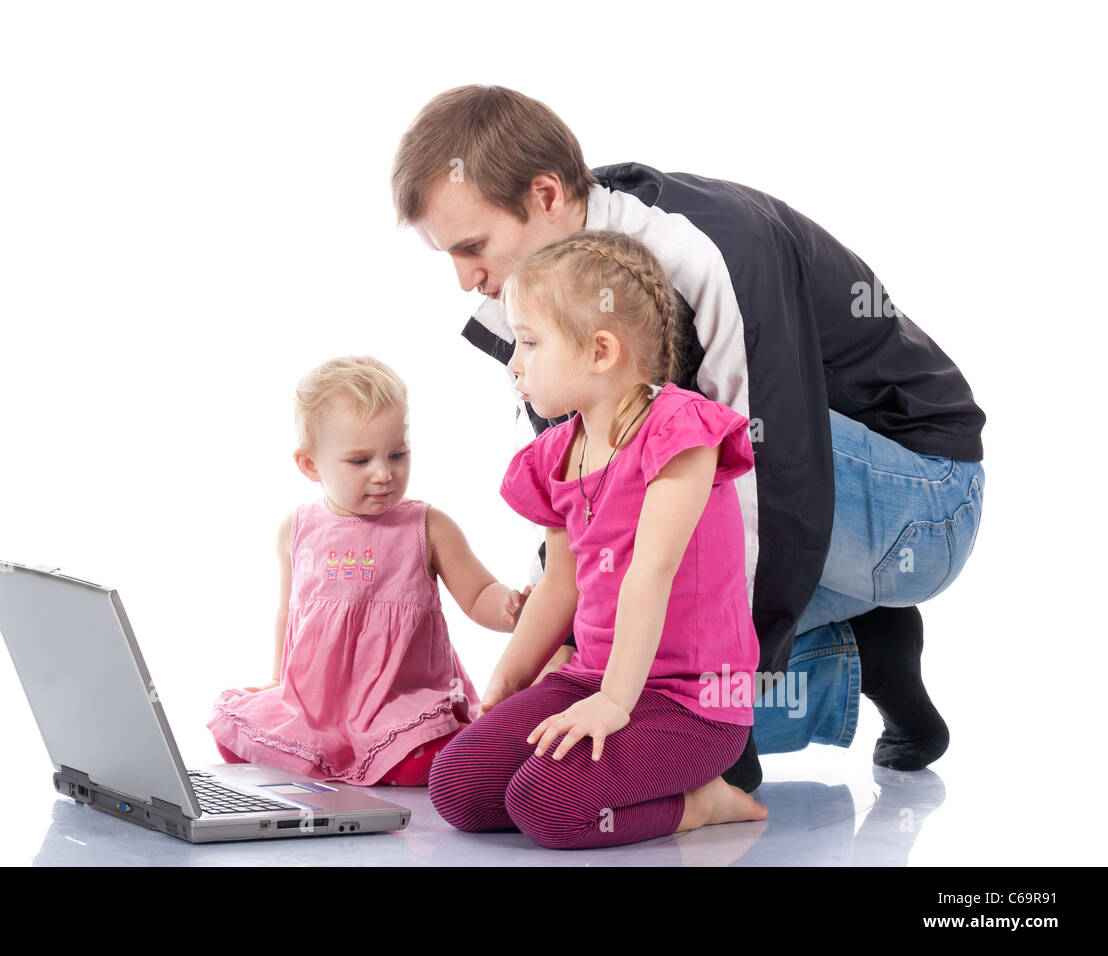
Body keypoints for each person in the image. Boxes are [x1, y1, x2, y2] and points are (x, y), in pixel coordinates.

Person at [391, 85, 986, 790]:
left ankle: (774, 692)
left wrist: (727, 710)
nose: (465, 280)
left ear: (546, 194)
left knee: (659, 666)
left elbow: (772, 476)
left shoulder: (708, 250)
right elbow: (585, 494)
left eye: (472, 247)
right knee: (599, 686)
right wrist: (559, 647)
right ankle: (865, 654)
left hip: (920, 498)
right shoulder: (533, 291)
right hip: (788, 503)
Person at [429, 229, 768, 850]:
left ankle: (700, 802)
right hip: (592, 678)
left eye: (529, 342)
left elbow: (650, 572)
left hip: (690, 702)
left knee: (548, 808)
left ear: (601, 350)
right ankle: (606, 768)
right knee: (458, 784)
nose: (515, 363)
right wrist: (507, 683)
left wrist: (615, 703)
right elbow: (561, 585)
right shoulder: (554, 454)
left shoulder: (680, 431)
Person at [206, 356, 532, 786]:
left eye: (397, 454)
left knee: (424, 764)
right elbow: (289, 614)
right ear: (310, 465)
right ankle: (316, 749)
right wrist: (277, 678)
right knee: (233, 736)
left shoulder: (427, 526)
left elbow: (477, 593)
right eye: (360, 461)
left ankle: (399, 757)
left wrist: (509, 607)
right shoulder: (297, 529)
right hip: (319, 706)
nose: (384, 474)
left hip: (397, 702)